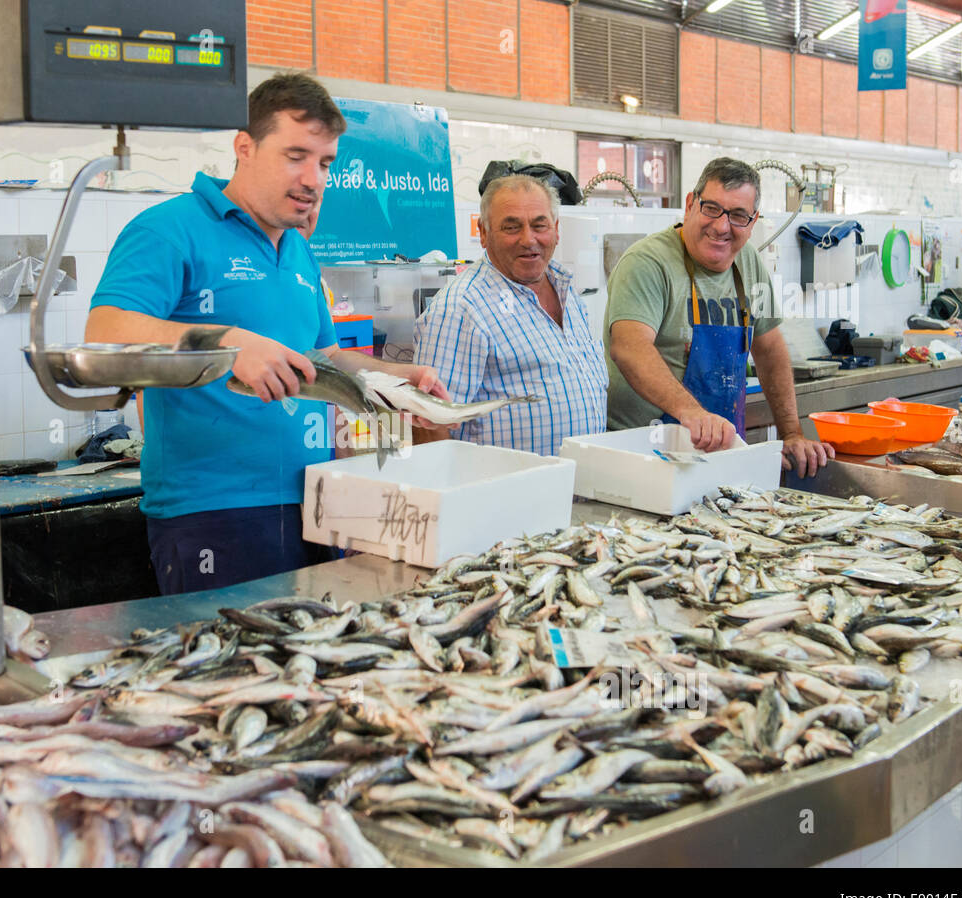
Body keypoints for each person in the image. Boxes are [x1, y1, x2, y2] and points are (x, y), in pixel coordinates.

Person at [86, 72, 446, 595]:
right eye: (295, 155)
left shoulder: (296, 249)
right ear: (245, 148)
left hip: (317, 500)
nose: (314, 178)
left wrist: (398, 378)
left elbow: (323, 358)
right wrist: (229, 344)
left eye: (326, 163)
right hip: (215, 515)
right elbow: (105, 332)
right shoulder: (168, 229)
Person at [604, 157, 834, 478]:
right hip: (648, 456)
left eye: (739, 216)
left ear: (753, 222)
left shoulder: (749, 263)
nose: (722, 226)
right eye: (712, 208)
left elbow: (769, 350)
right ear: (689, 205)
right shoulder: (647, 262)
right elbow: (629, 347)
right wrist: (691, 412)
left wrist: (792, 432)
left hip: (720, 454)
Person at [413, 174, 607, 456]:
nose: (529, 240)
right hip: (502, 495)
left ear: (556, 229)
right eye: (511, 227)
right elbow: (429, 424)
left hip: (578, 490)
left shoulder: (570, 293)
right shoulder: (460, 309)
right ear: (483, 232)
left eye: (539, 225)